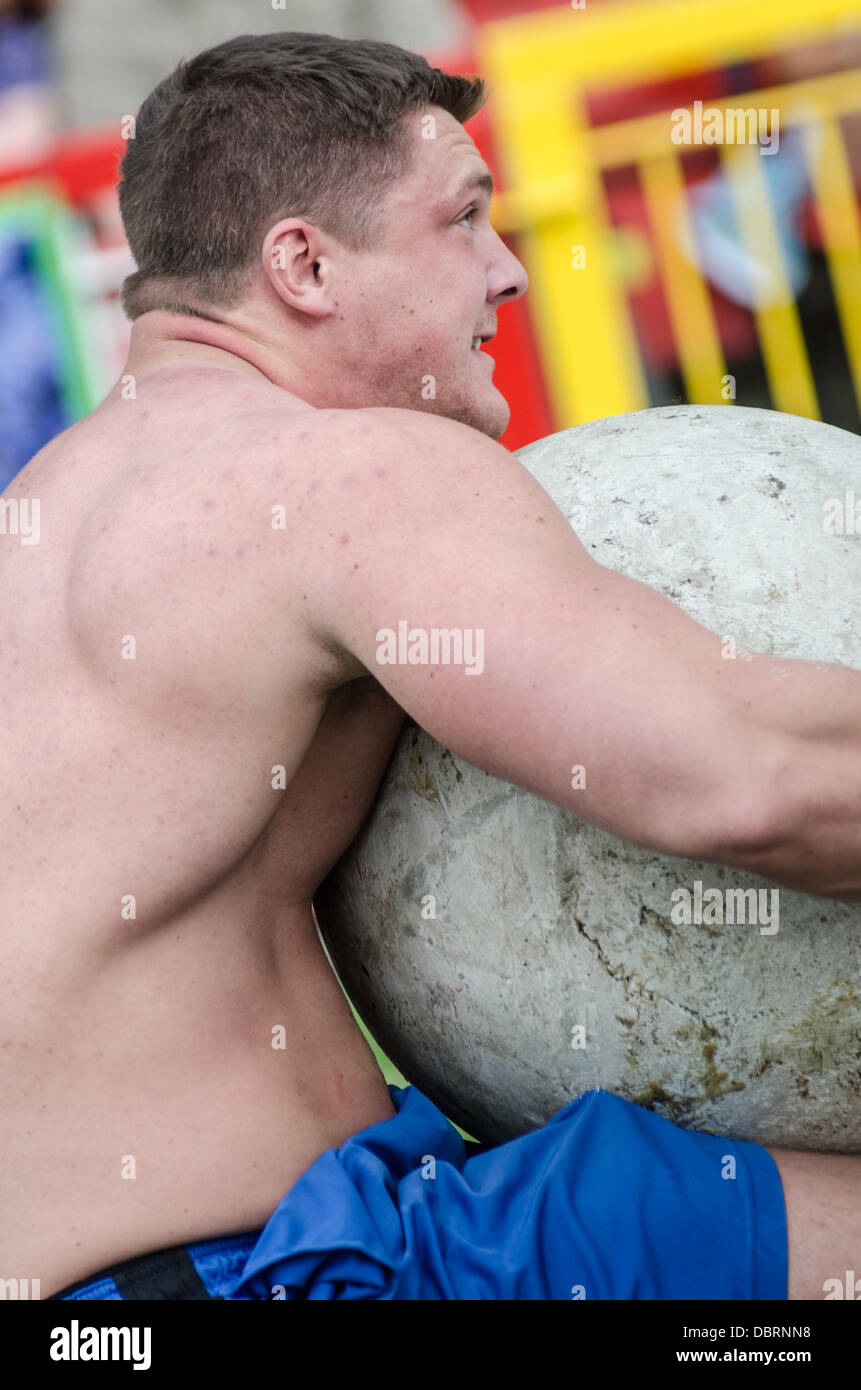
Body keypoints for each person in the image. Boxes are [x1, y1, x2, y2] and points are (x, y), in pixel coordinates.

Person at [1, 32, 859, 1303]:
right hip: (272, 1277)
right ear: (303, 265)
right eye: (464, 218)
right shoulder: (347, 475)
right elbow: (750, 776)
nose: (509, 273)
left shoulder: (45, 508)